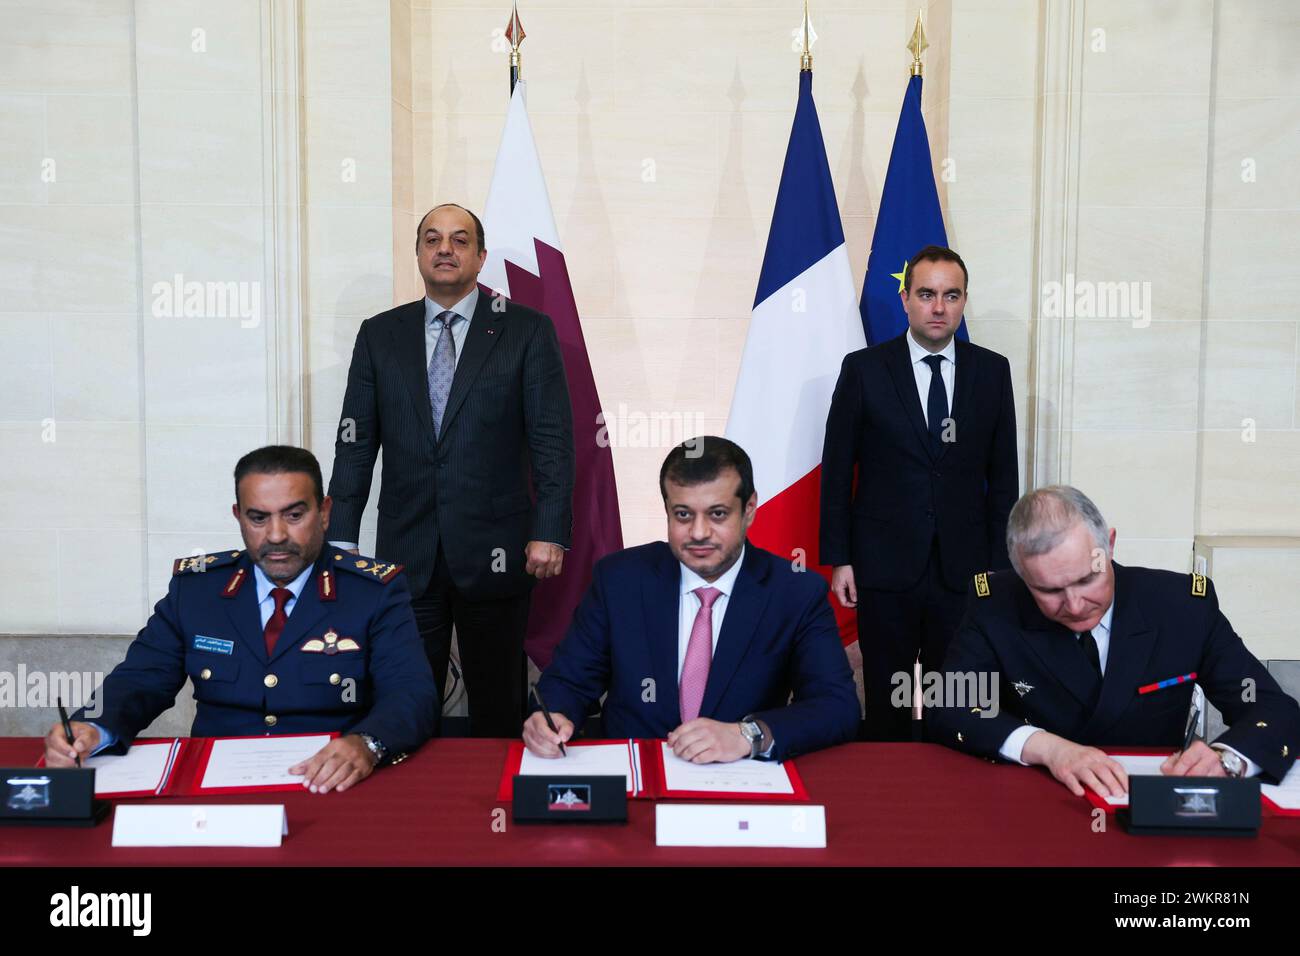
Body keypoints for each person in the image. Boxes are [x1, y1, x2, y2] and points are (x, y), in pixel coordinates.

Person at [43, 446, 438, 795]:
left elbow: (412, 695)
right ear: (238, 517)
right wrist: (93, 728)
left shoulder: (372, 591)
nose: (277, 534)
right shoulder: (198, 590)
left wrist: (367, 743)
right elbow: (140, 678)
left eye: (294, 515)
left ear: (324, 513)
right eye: (259, 518)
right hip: (216, 791)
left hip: (328, 782)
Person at [326, 203, 575, 737]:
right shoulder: (379, 335)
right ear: (418, 253)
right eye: (433, 239)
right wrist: (341, 538)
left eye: (460, 240)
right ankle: (410, 812)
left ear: (481, 256)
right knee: (403, 698)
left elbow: (553, 441)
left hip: (498, 550)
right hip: (406, 547)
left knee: (498, 708)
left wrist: (550, 530)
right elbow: (354, 442)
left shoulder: (526, 330)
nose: (445, 249)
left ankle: (495, 803)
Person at [931, 485, 1300, 797]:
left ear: (1109, 546)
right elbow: (951, 707)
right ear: (1022, 576)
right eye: (1049, 590)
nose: (1074, 605)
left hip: (1147, 801)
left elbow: (1272, 708)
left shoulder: (1181, 607)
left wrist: (1227, 758)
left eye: (1086, 580)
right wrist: (1049, 749)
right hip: (1035, 798)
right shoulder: (995, 604)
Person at [524, 437, 859, 763]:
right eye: (683, 515)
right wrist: (550, 716)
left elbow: (836, 706)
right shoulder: (619, 579)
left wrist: (746, 735)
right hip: (637, 778)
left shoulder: (795, 592)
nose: (699, 533)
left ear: (750, 509)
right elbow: (568, 681)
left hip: (739, 782)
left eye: (717, 514)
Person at [820, 244, 1018, 741]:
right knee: (886, 701)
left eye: (951, 296)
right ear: (905, 298)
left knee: (957, 702)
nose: (938, 307)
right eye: (926, 294)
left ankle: (954, 807)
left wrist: (1000, 565)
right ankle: (886, 806)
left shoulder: (992, 372)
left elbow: (1004, 479)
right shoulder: (864, 369)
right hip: (883, 566)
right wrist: (840, 559)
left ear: (964, 301)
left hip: (965, 567)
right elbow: (839, 472)